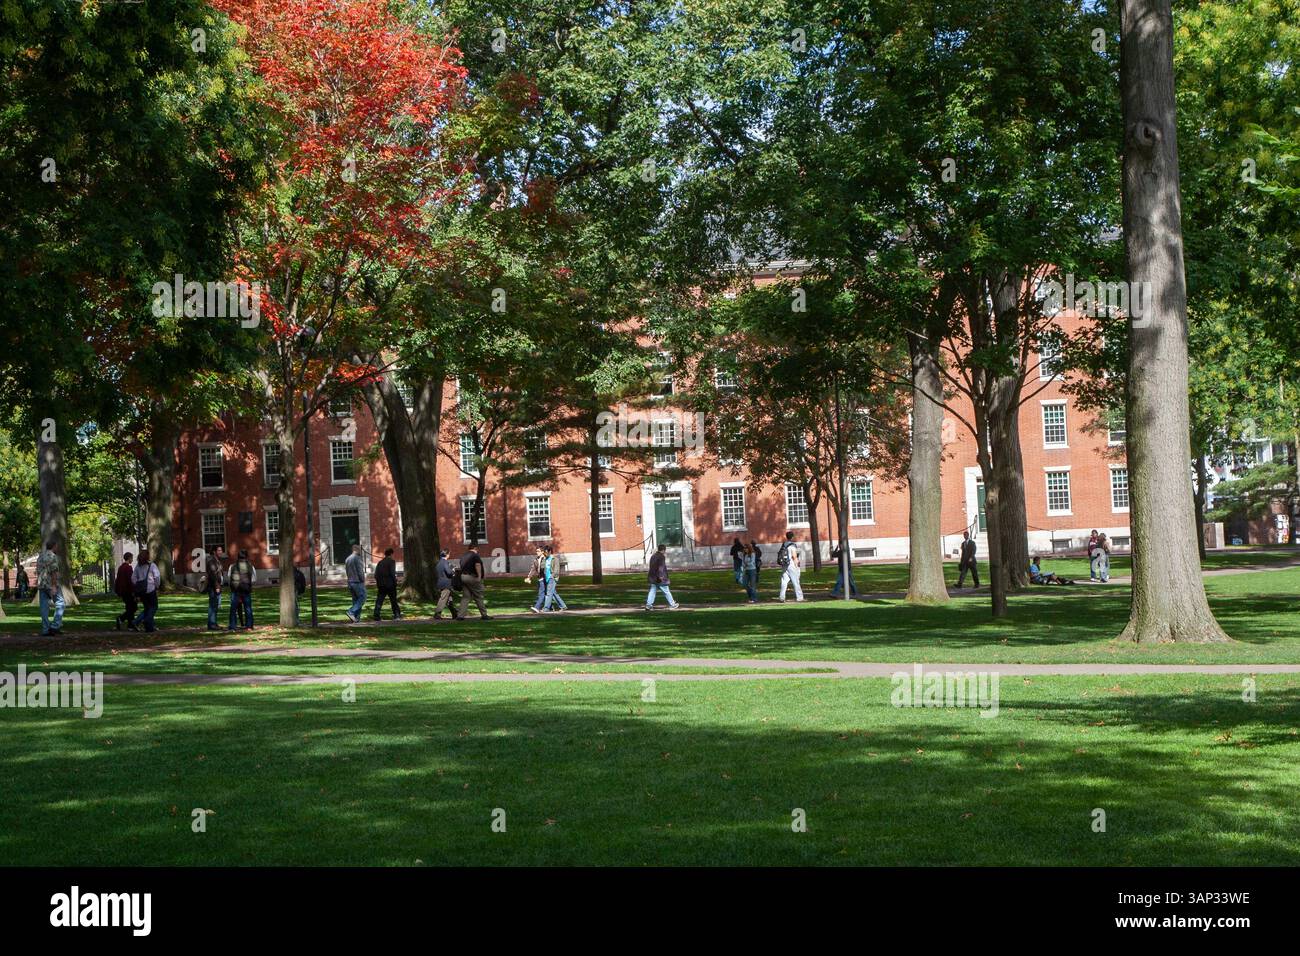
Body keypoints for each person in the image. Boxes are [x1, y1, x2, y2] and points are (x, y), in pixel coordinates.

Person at [35, 540, 64, 637]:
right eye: (57, 546)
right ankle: (55, 626)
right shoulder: (52, 556)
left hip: (41, 584)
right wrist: (54, 586)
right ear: (54, 546)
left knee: (44, 607)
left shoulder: (40, 556)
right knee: (60, 603)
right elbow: (54, 572)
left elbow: (38, 571)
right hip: (50, 584)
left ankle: (45, 629)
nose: (57, 548)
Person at [130, 549, 161, 633]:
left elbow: (133, 578)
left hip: (141, 591)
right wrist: (157, 586)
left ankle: (137, 622)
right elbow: (157, 577)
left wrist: (137, 584)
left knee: (147, 608)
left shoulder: (138, 566)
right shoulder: (152, 565)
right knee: (154, 607)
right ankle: (147, 621)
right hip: (150, 589)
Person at [456, 545, 489, 620]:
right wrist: (479, 576)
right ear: (475, 549)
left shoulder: (463, 556)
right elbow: (477, 565)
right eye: (477, 549)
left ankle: (460, 616)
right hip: (472, 577)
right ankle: (484, 615)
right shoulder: (475, 555)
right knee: (478, 596)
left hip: (463, 577)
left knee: (466, 597)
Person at [644, 543, 680, 610]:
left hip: (653, 576)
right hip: (659, 577)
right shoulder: (661, 556)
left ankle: (648, 605)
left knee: (652, 591)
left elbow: (651, 566)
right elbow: (661, 567)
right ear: (663, 550)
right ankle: (672, 604)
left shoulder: (653, 556)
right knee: (666, 590)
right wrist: (660, 576)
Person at [227, 549, 256, 630]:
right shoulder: (251, 566)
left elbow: (229, 577)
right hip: (246, 590)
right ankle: (249, 625)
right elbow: (253, 579)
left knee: (233, 609)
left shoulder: (232, 566)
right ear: (246, 557)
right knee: (248, 608)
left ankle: (232, 626)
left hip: (235, 590)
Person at [373, 547, 401, 620]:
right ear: (391, 554)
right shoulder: (391, 562)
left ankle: (376, 615)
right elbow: (392, 573)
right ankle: (397, 614)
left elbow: (376, 575)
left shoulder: (380, 562)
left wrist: (379, 583)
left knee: (379, 600)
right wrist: (395, 582)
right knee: (393, 600)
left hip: (381, 585)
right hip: (390, 584)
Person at [777, 531, 804, 602]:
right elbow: (794, 556)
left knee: (784, 581)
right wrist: (797, 565)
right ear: (792, 537)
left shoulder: (784, 545)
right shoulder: (792, 545)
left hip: (784, 565)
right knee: (795, 581)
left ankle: (782, 597)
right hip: (791, 564)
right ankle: (799, 597)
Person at [113, 552, 137, 631]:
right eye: (132, 558)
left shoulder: (121, 567)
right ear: (129, 558)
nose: (132, 560)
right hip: (128, 591)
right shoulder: (128, 568)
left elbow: (118, 580)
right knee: (132, 607)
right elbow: (130, 581)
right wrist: (133, 590)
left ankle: (130, 624)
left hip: (123, 591)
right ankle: (123, 620)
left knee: (130, 607)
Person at [204, 545, 226, 631]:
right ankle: (212, 624)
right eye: (219, 550)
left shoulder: (216, 560)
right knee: (213, 605)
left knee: (215, 605)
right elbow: (213, 574)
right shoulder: (211, 560)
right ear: (214, 551)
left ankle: (213, 623)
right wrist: (217, 586)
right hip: (213, 587)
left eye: (221, 550)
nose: (221, 552)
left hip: (217, 586)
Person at [344, 544, 367, 623]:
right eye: (359, 549)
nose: (360, 551)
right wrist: (363, 580)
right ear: (357, 549)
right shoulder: (357, 558)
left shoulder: (347, 559)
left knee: (356, 600)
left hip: (350, 581)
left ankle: (356, 618)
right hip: (357, 581)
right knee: (363, 598)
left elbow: (347, 571)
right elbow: (360, 571)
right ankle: (351, 611)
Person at [542, 546, 568, 612]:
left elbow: (556, 570)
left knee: (548, 593)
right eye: (544, 552)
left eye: (546, 552)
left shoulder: (555, 559)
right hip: (547, 578)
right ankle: (563, 606)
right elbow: (542, 567)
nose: (545, 554)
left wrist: (552, 576)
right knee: (553, 593)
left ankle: (546, 608)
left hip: (552, 578)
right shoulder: (545, 559)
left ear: (550, 552)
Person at [433, 550, 457, 619]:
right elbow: (449, 572)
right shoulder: (445, 562)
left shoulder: (439, 563)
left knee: (449, 600)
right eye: (449, 554)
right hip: (446, 583)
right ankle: (437, 614)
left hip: (440, 582)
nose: (449, 555)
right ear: (447, 555)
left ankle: (455, 613)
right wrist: (453, 571)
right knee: (443, 599)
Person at [525, 546, 547, 613]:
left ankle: (537, 607)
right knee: (545, 593)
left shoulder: (546, 559)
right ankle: (550, 606)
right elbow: (533, 569)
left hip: (545, 578)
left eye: (538, 551)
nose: (537, 552)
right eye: (536, 551)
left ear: (542, 552)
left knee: (542, 593)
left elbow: (546, 569)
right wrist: (529, 577)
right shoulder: (536, 559)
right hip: (539, 579)